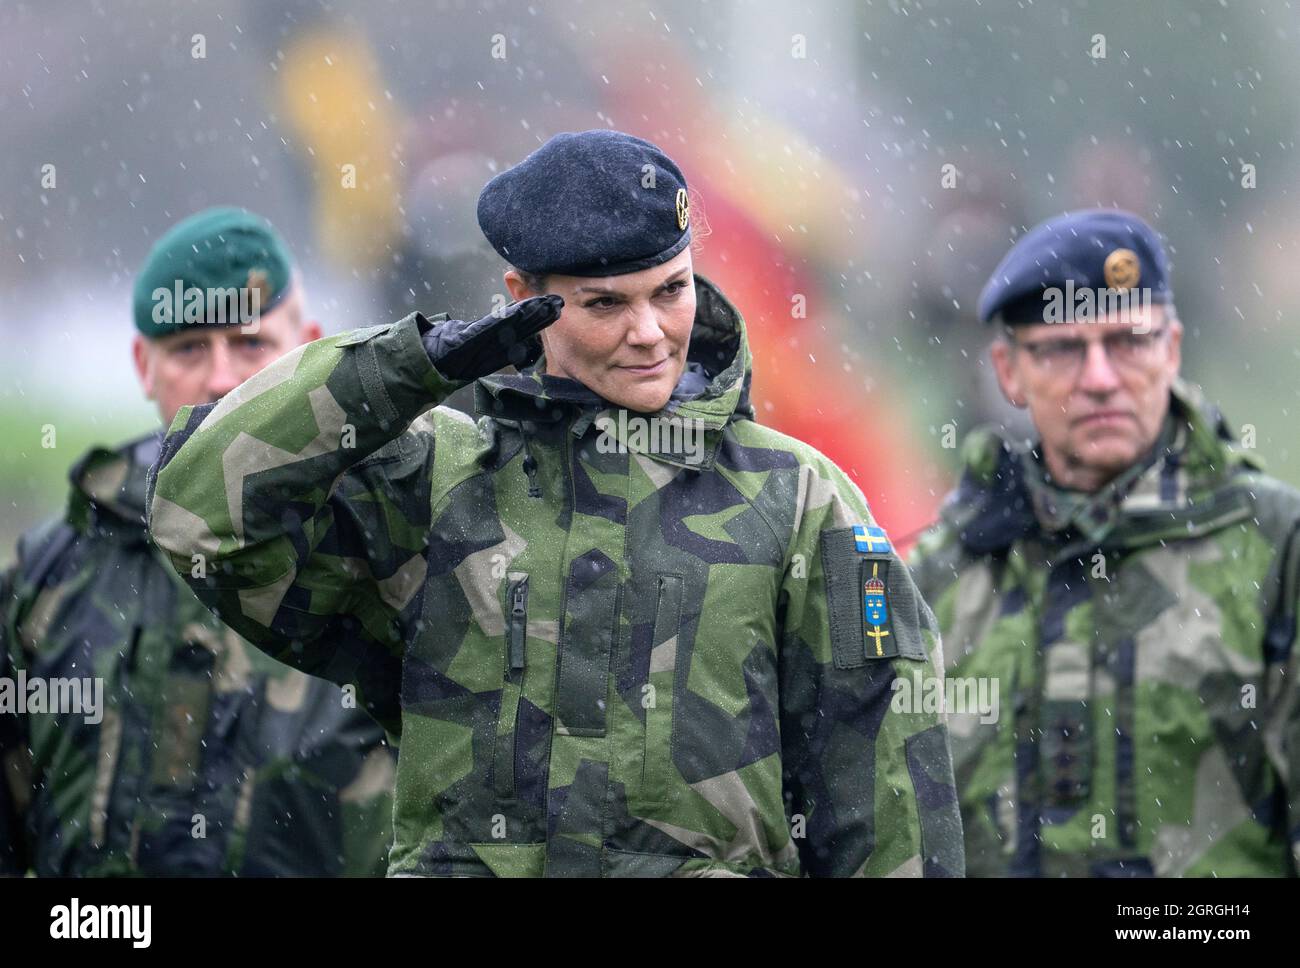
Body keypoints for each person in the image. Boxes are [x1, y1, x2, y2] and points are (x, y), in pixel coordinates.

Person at [147, 130, 963, 878]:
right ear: (521, 297)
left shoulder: (797, 499)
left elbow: (887, 791)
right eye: (606, 303)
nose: (649, 332)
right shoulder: (432, 480)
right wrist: (404, 366)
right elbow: (196, 513)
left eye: (671, 290)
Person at [0, 207, 395, 876]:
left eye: (251, 345)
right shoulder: (55, 565)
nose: (220, 379)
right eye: (188, 349)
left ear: (311, 349)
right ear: (142, 365)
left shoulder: (388, 546)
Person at [908, 208, 1300, 876]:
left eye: (1128, 342)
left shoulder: (1275, 546)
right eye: (1061, 349)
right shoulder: (937, 576)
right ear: (1008, 371)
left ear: (1172, 349)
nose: (1099, 378)